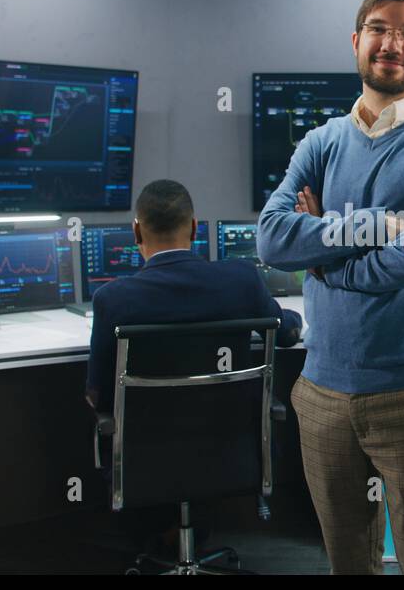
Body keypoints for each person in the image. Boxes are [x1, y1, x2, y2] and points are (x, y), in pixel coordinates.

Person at [257, 0, 404, 574]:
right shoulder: (320, 142)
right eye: (380, 28)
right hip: (322, 390)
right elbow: (273, 236)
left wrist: (327, 254)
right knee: (347, 561)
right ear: (357, 41)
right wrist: (384, 225)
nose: (393, 43)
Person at [85, 178, 302, 417]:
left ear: (136, 231)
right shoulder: (242, 280)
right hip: (231, 444)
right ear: (194, 228)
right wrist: (294, 317)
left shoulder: (112, 299)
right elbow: (287, 335)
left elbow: (98, 395)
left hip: (146, 447)